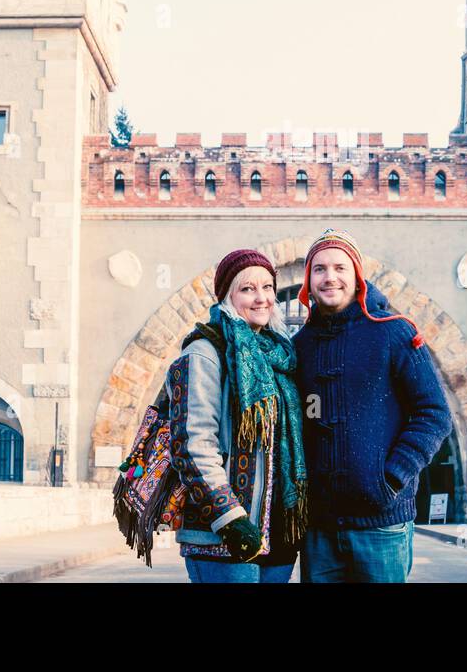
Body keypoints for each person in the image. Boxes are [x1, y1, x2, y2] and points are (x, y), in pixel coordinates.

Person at [294, 229, 452, 582]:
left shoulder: (393, 333)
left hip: (382, 525)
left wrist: (392, 479)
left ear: (357, 276)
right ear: (308, 281)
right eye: (319, 269)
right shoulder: (300, 345)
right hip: (320, 530)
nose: (329, 277)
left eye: (339, 267)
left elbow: (435, 414)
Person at [164, 248, 307, 583]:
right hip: (224, 538)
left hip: (277, 539)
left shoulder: (280, 356)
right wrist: (230, 518)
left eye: (268, 287)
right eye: (247, 289)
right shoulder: (204, 352)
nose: (262, 299)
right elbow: (192, 444)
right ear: (227, 296)